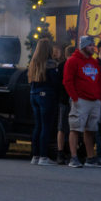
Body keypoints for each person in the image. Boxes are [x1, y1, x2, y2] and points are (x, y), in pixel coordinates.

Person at [63, 35, 101, 168]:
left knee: (90, 130)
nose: (93, 47)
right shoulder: (73, 61)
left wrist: (99, 98)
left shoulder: (94, 62)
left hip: (94, 100)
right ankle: (73, 158)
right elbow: (67, 81)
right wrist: (75, 98)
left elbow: (98, 80)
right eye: (91, 45)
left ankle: (90, 158)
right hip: (81, 100)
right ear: (84, 46)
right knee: (75, 129)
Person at [27, 37, 59, 165]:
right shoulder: (50, 63)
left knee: (38, 126)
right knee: (46, 127)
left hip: (33, 95)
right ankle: (44, 156)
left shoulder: (33, 63)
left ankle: (35, 156)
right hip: (46, 96)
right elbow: (55, 82)